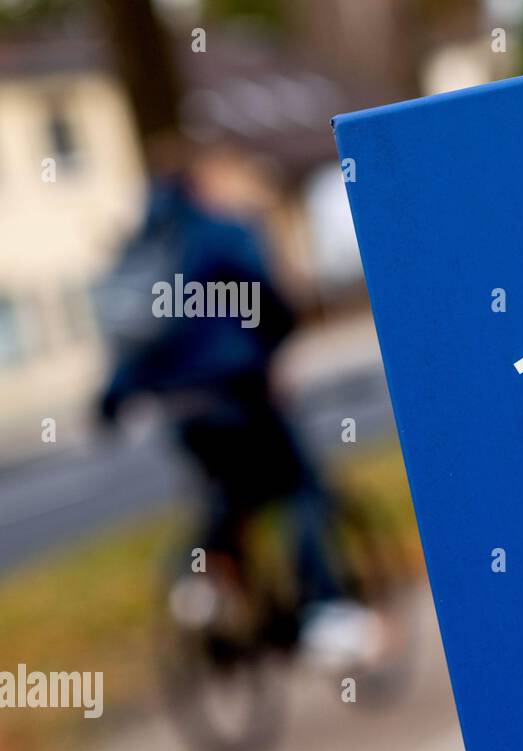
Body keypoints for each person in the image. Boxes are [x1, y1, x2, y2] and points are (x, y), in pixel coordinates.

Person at [97, 170, 381, 670]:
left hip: (180, 410)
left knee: (229, 494)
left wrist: (113, 398)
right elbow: (268, 301)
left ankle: (201, 579)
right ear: (200, 187)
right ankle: (325, 609)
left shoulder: (142, 252)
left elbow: (136, 337)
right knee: (303, 488)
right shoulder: (219, 234)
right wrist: (274, 345)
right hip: (238, 395)